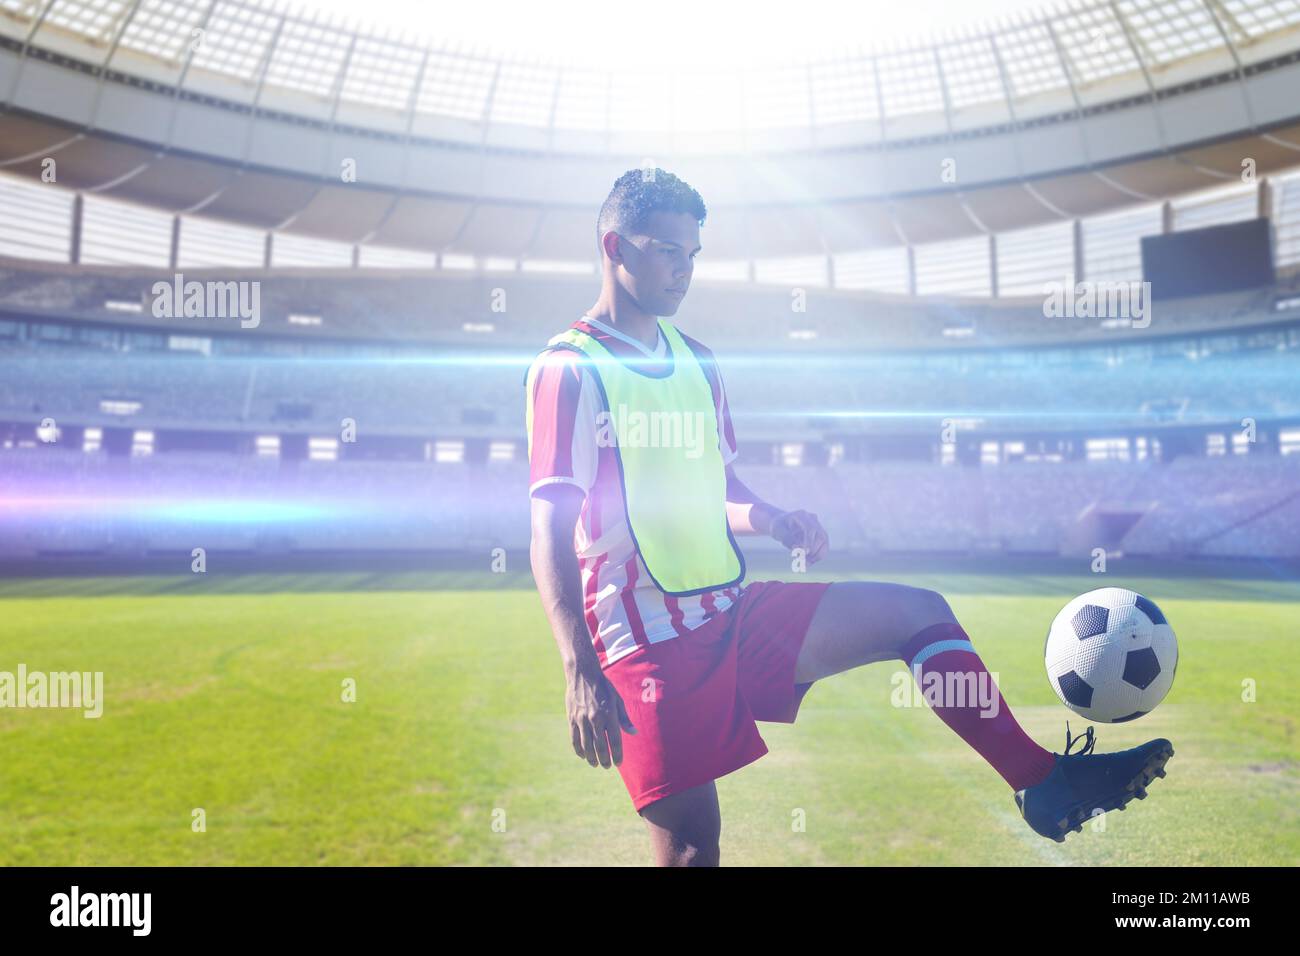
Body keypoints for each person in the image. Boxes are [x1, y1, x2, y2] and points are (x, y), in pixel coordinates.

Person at [524, 168, 1173, 866]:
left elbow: (716, 489)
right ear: (614, 245)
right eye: (667, 251)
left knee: (917, 613)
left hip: (730, 614)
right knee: (691, 850)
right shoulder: (569, 370)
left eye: (693, 255)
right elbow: (549, 531)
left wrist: (772, 519)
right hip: (644, 645)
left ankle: (1042, 783)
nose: (684, 271)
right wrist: (577, 669)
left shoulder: (699, 363)